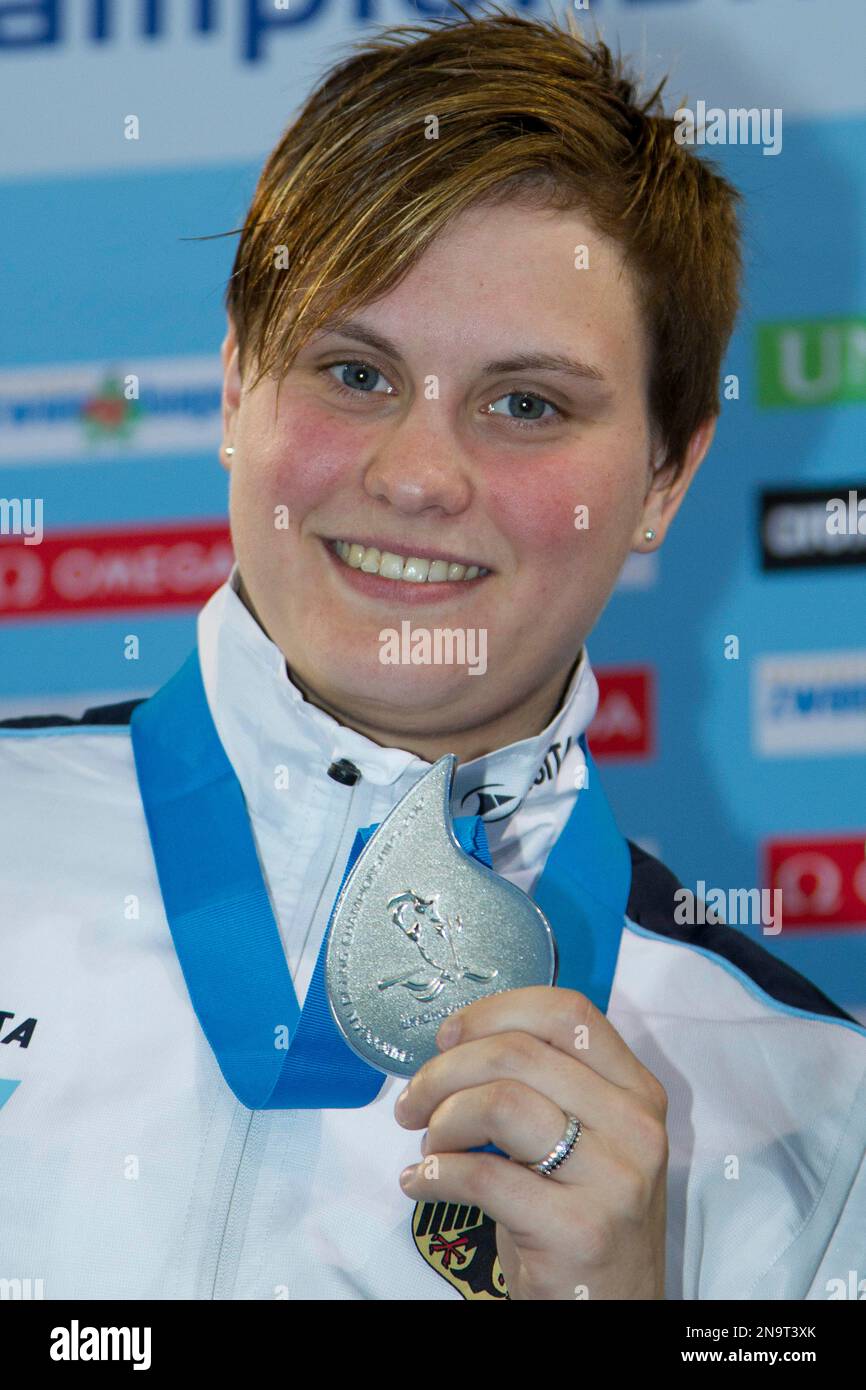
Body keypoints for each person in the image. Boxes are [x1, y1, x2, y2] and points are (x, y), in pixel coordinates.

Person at [1, 5, 863, 1303]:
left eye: (525, 403)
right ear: (235, 387)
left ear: (663, 479)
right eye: (355, 372)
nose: (415, 475)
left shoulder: (815, 1113)